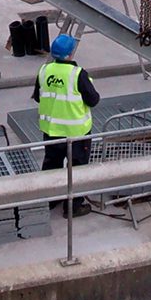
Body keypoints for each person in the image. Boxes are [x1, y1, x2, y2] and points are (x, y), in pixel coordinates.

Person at [33, 33, 100, 218]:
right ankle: (73, 207)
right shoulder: (77, 74)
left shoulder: (44, 71)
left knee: (51, 164)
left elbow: (38, 96)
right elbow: (93, 100)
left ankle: (50, 199)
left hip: (52, 130)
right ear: (71, 53)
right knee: (77, 169)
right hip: (76, 133)